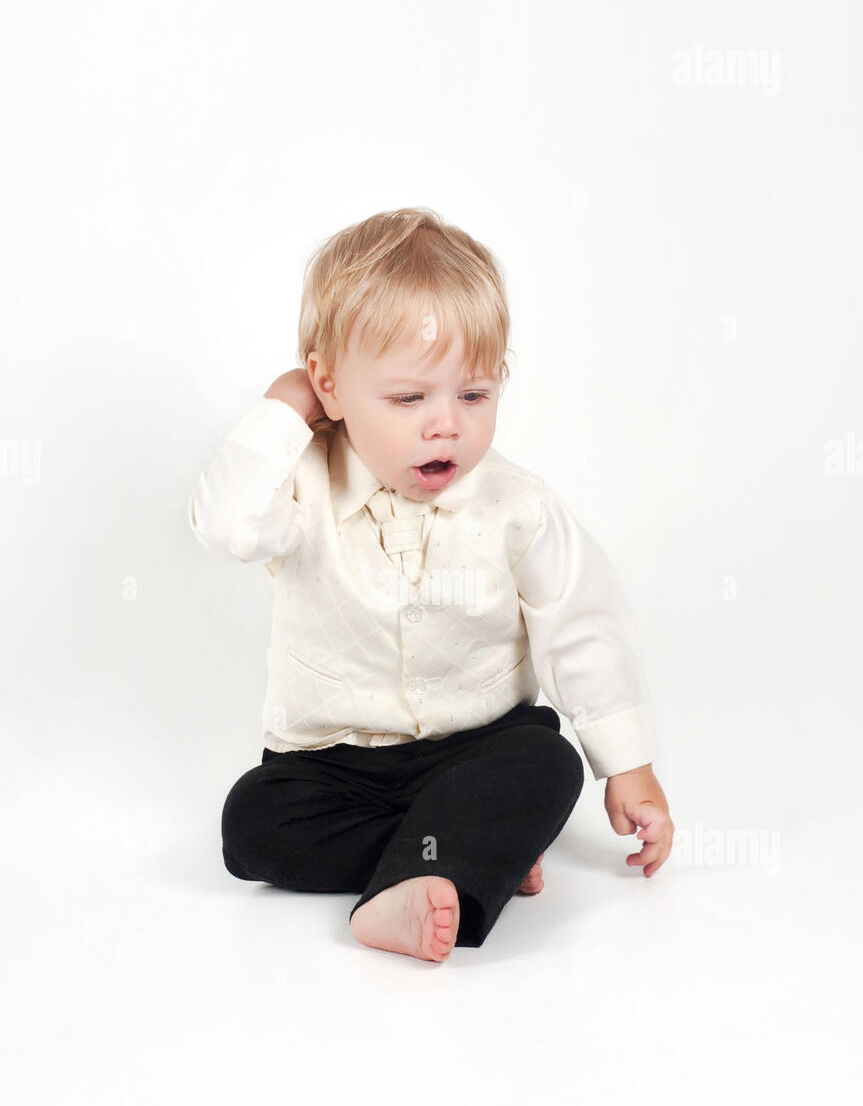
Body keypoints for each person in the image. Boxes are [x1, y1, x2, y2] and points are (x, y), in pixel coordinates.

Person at [187, 206, 674, 961]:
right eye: (409, 399)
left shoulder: (519, 507)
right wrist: (285, 407)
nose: (445, 425)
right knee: (253, 827)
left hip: (477, 748)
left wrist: (627, 761)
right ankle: (469, 852)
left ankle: (433, 870)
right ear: (332, 387)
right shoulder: (298, 490)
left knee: (547, 764)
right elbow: (226, 528)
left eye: (473, 396)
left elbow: (580, 624)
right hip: (332, 762)